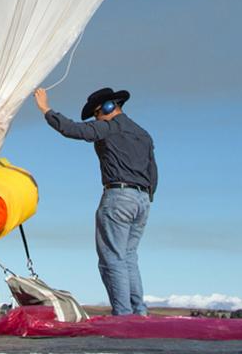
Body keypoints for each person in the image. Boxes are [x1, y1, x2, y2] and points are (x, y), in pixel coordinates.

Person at [33, 86, 157, 316]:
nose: (96, 119)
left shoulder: (108, 128)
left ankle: (123, 316)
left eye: (97, 114)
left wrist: (45, 108)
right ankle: (139, 313)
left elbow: (72, 130)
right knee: (129, 257)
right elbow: (153, 171)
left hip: (119, 196)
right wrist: (147, 197)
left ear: (109, 108)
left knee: (113, 258)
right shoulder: (143, 133)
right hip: (142, 201)